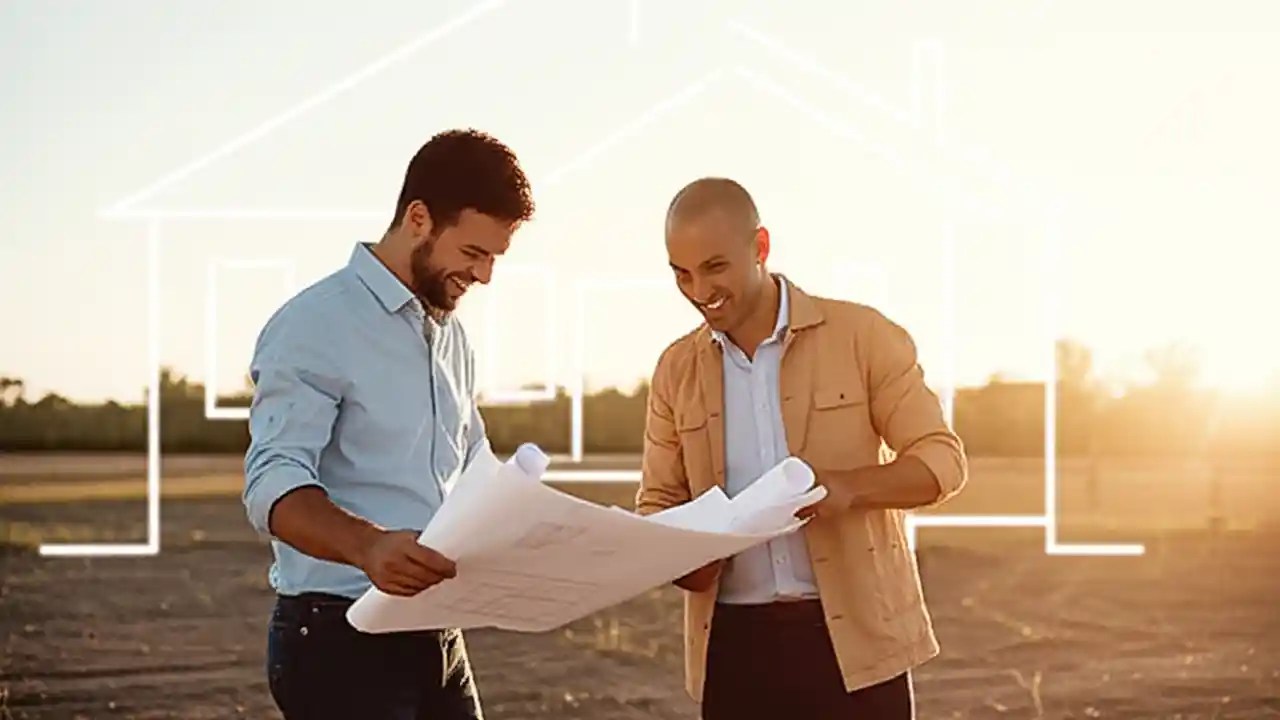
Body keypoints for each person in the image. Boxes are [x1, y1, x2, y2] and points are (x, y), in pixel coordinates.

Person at [636, 177, 967, 719]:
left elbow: (942, 463)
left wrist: (849, 488)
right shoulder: (675, 370)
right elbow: (657, 504)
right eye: (681, 274)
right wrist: (680, 560)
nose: (699, 291)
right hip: (734, 654)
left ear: (760, 247)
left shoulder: (864, 335)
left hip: (858, 647)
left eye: (715, 268)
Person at [241, 128, 535, 719]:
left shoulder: (451, 337)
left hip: (439, 633)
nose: (483, 277)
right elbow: (270, 481)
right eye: (473, 253)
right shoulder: (316, 323)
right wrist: (368, 546)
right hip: (338, 638)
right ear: (419, 218)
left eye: (494, 259)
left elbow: (472, 467)